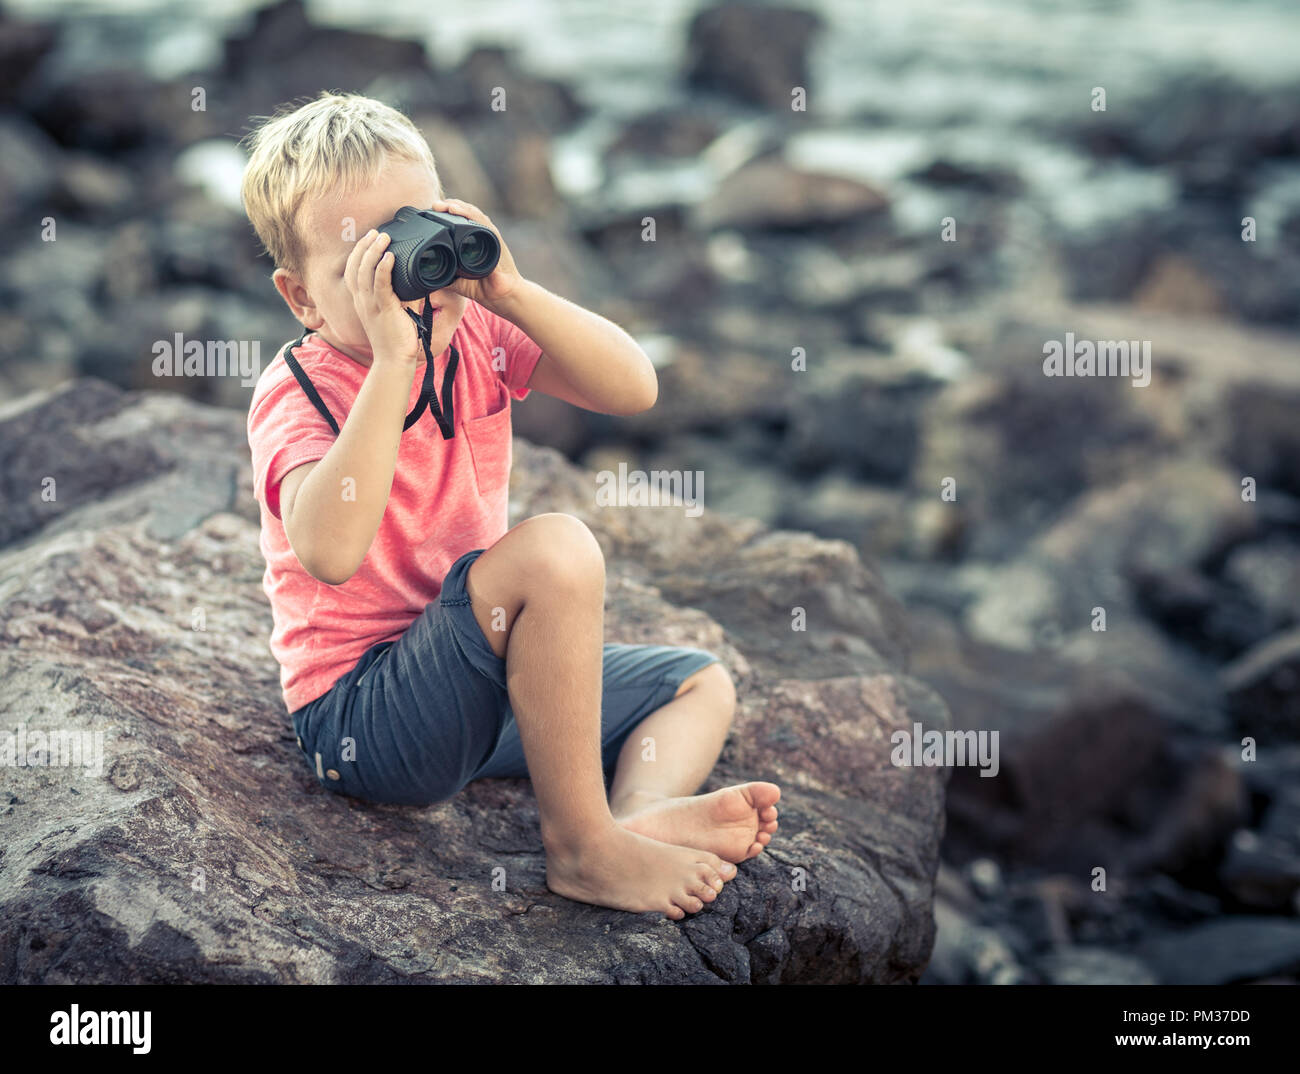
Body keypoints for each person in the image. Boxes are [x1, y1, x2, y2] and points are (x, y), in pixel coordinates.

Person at [242, 92, 779, 920]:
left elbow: (634, 388)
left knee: (697, 684)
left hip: (481, 687)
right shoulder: (302, 391)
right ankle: (582, 849)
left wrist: (512, 291)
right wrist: (393, 365)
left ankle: (631, 817)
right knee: (556, 550)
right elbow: (330, 552)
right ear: (303, 298)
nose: (409, 271)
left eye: (419, 232)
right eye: (368, 258)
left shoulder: (479, 336)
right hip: (366, 718)